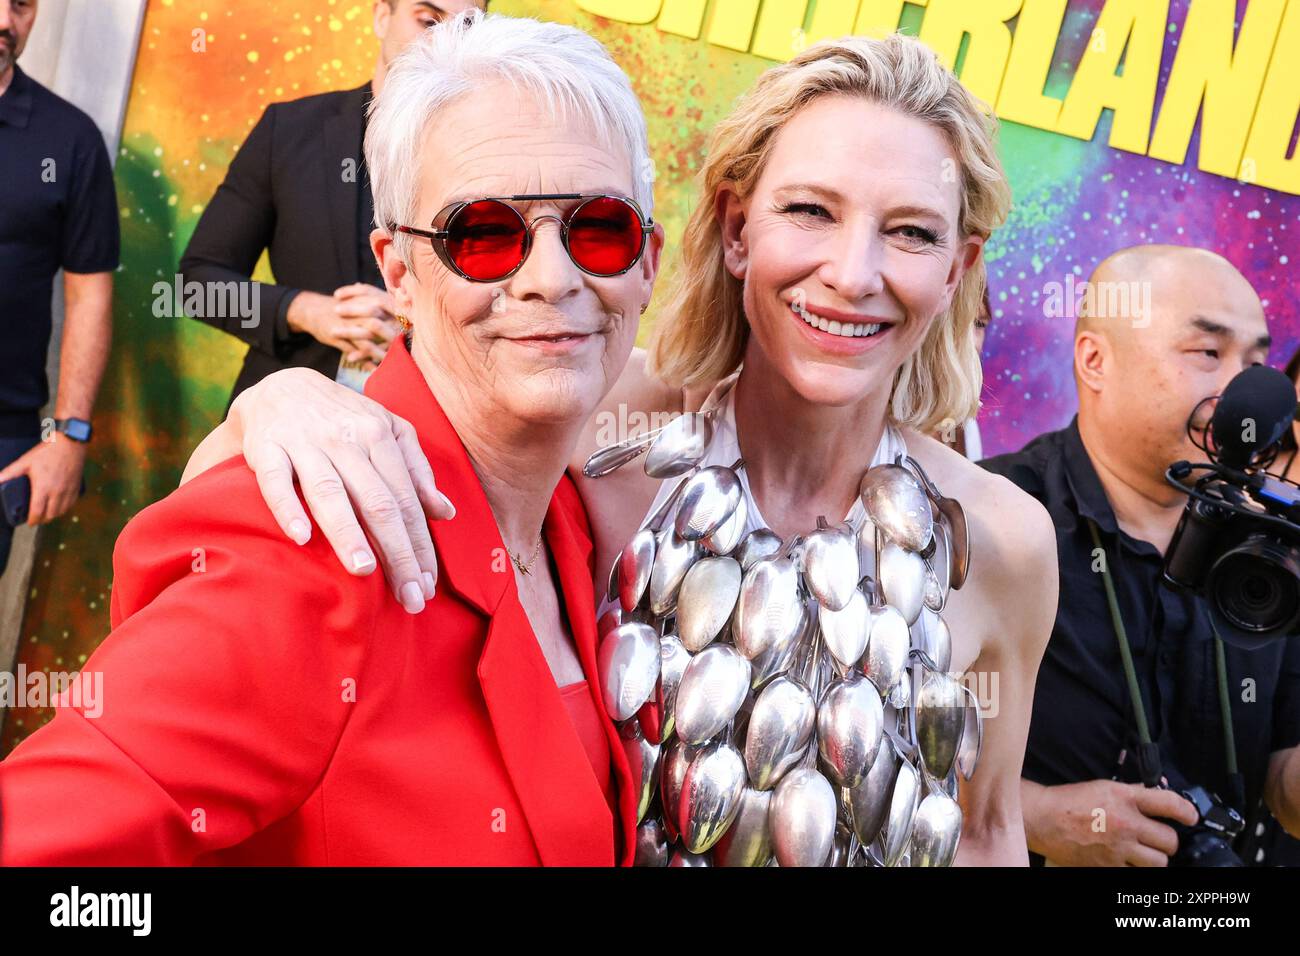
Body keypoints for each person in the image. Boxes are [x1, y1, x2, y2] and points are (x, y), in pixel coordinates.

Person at [185, 29, 1059, 864]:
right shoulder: (603, 421)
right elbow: (231, 485)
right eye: (809, 211)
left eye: (910, 231)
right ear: (735, 229)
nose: (854, 272)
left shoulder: (1003, 540)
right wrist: (279, 402)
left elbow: (985, 833)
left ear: (955, 268)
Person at [0, 12, 662, 865]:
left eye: (599, 228)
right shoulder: (309, 541)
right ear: (399, 268)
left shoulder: (580, 527)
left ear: (646, 260)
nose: (552, 277)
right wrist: (298, 332)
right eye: (483, 235)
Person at [981, 245, 1300, 866]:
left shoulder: (1274, 542)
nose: (1246, 393)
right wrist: (1041, 818)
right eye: (1208, 353)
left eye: (1257, 361)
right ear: (1095, 361)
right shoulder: (988, 520)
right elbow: (892, 760)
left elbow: (1285, 776)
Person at [179, 0, 484, 405]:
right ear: (381, 16)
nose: (441, 40)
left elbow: (511, 300)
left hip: (434, 423)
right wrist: (304, 310)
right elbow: (197, 284)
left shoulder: (486, 152)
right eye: (427, 20)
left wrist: (418, 328)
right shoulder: (288, 130)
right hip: (285, 420)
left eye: (462, 27)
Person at [0, 0, 116, 573]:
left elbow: (88, 295)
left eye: (20, 4)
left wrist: (70, 436)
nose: (4, 19)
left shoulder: (69, 140)